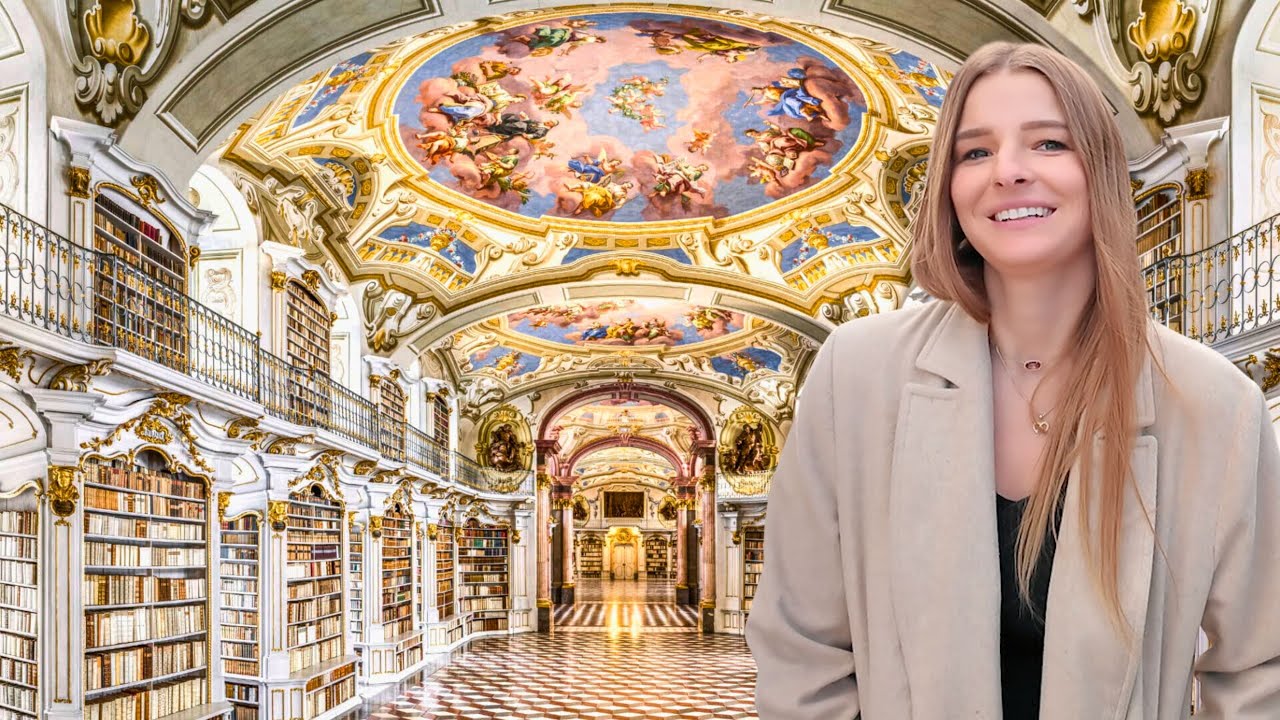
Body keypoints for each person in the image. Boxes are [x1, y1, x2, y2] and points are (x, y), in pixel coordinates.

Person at [746, 40, 1280, 720]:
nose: (1008, 172)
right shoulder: (853, 376)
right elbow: (801, 652)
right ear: (948, 185)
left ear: (1101, 170)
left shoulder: (1214, 403)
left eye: (1049, 143)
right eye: (975, 152)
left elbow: (1262, 674)